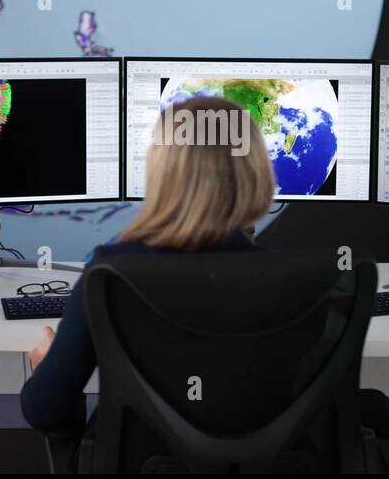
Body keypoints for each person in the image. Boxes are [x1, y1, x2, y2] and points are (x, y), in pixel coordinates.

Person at [20, 95, 274, 433]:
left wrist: (44, 366)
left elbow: (44, 411)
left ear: (161, 172)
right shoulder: (289, 278)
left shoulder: (110, 272)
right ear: (255, 172)